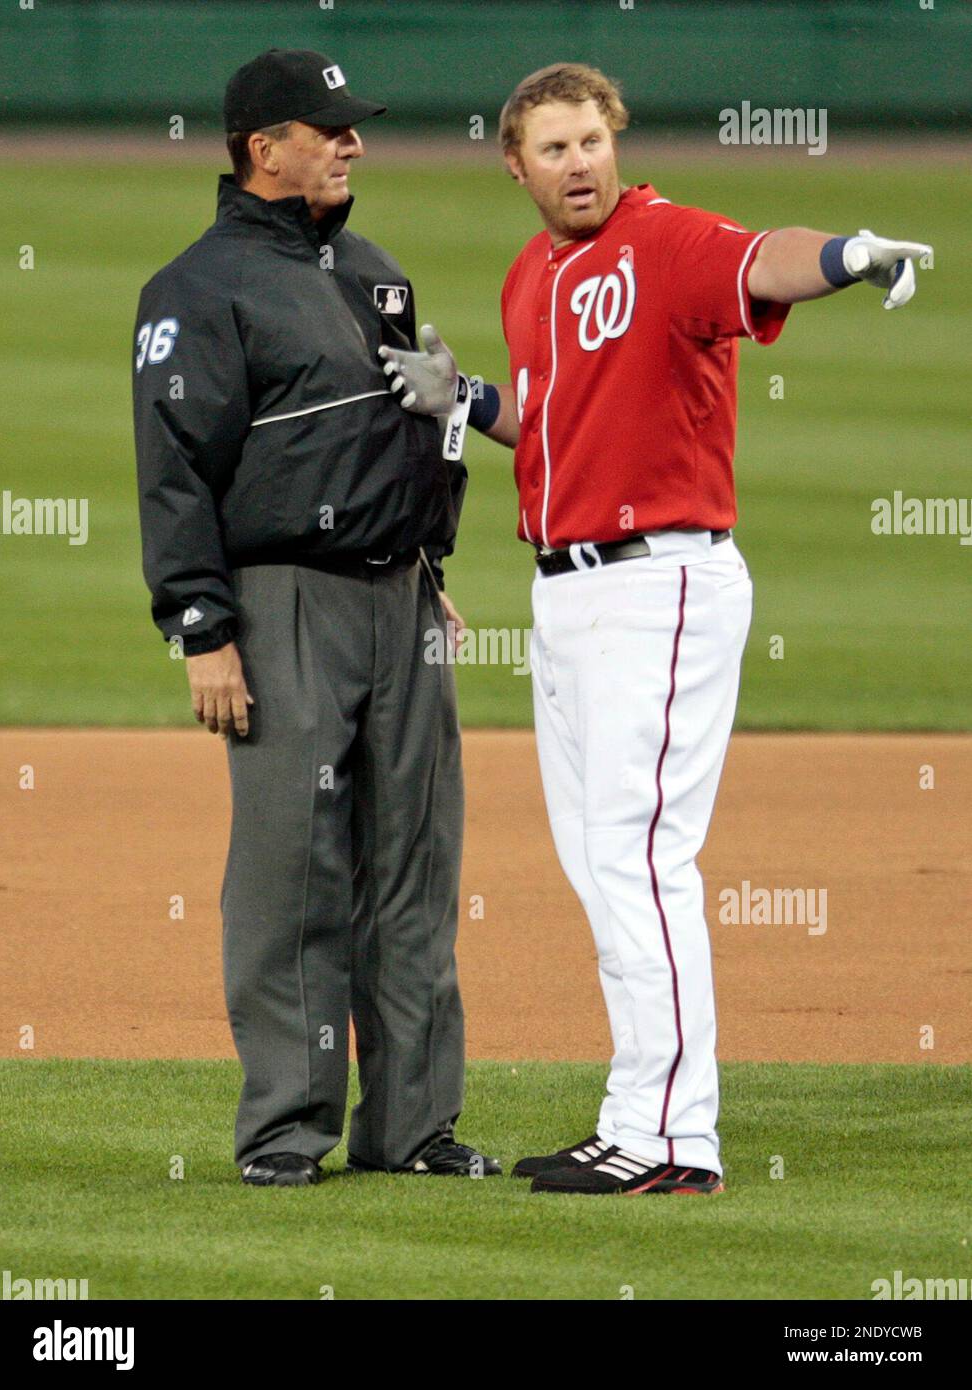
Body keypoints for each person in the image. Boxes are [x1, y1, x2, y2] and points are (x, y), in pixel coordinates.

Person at [376, 62, 931, 1196]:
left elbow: (763, 255)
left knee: (637, 852)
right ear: (514, 163)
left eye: (591, 142)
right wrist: (468, 402)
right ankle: (635, 1113)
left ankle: (675, 1139)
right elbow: (550, 419)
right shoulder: (530, 275)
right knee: (600, 861)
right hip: (564, 593)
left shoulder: (663, 238)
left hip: (659, 583)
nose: (577, 164)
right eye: (553, 149)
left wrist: (850, 255)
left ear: (614, 142)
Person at [133, 48, 499, 1187]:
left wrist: (433, 545)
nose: (350, 142)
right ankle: (287, 1131)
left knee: (414, 864)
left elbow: (409, 426)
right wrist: (201, 628)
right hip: (283, 601)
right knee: (295, 869)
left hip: (402, 601)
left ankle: (413, 1127)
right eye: (327, 128)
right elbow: (176, 468)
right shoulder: (197, 289)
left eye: (352, 127)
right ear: (263, 149)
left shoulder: (370, 270)